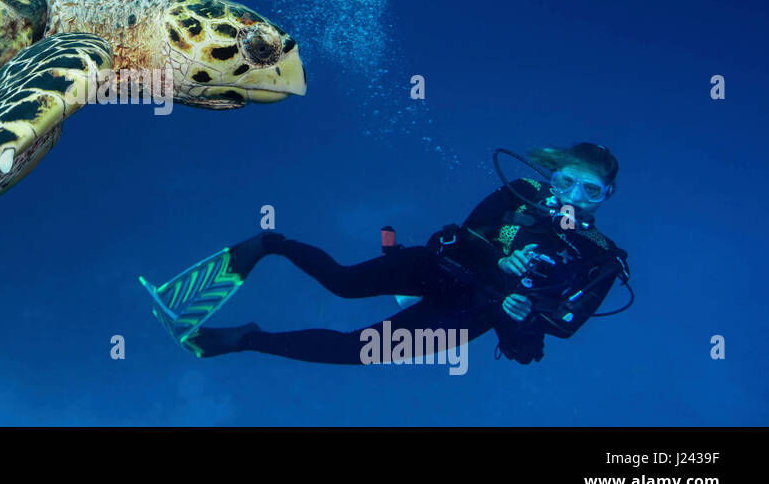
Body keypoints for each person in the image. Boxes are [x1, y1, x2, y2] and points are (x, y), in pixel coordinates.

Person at [188, 143, 631, 365]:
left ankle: (244, 339)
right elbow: (470, 229)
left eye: (590, 190)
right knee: (342, 284)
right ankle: (270, 244)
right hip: (438, 268)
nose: (573, 195)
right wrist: (498, 260)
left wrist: (523, 311)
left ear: (607, 195)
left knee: (354, 351)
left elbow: (567, 327)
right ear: (552, 176)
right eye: (565, 181)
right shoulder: (522, 191)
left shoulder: (603, 256)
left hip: (473, 313)